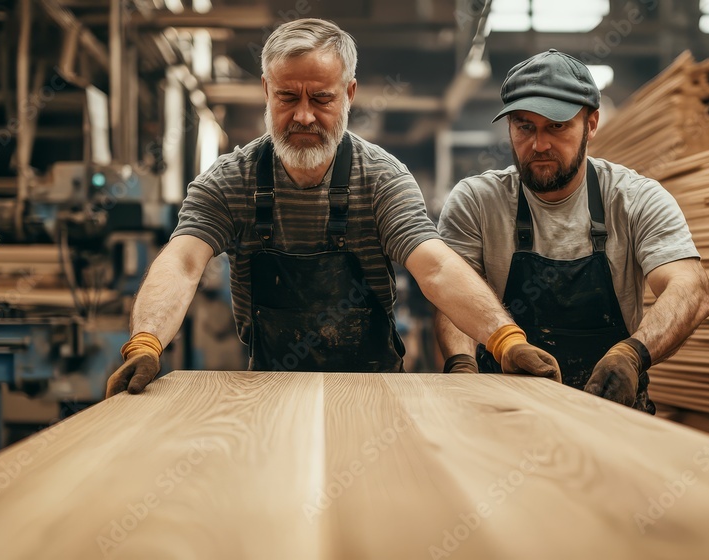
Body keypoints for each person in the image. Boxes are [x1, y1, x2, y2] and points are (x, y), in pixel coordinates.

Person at [105, 19, 561, 397]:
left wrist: (504, 339)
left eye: (321, 98)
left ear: (349, 94)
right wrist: (146, 343)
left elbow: (436, 268)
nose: (303, 115)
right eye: (288, 97)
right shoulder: (231, 180)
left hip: (375, 391)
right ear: (266, 91)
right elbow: (182, 262)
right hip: (267, 391)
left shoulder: (382, 178)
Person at [435, 49, 709, 413]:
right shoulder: (477, 201)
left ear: (592, 124)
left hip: (614, 407)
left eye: (557, 126)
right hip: (502, 409)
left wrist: (632, 355)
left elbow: (691, 288)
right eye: (524, 126)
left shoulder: (634, 199)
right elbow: (452, 294)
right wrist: (463, 367)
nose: (539, 144)